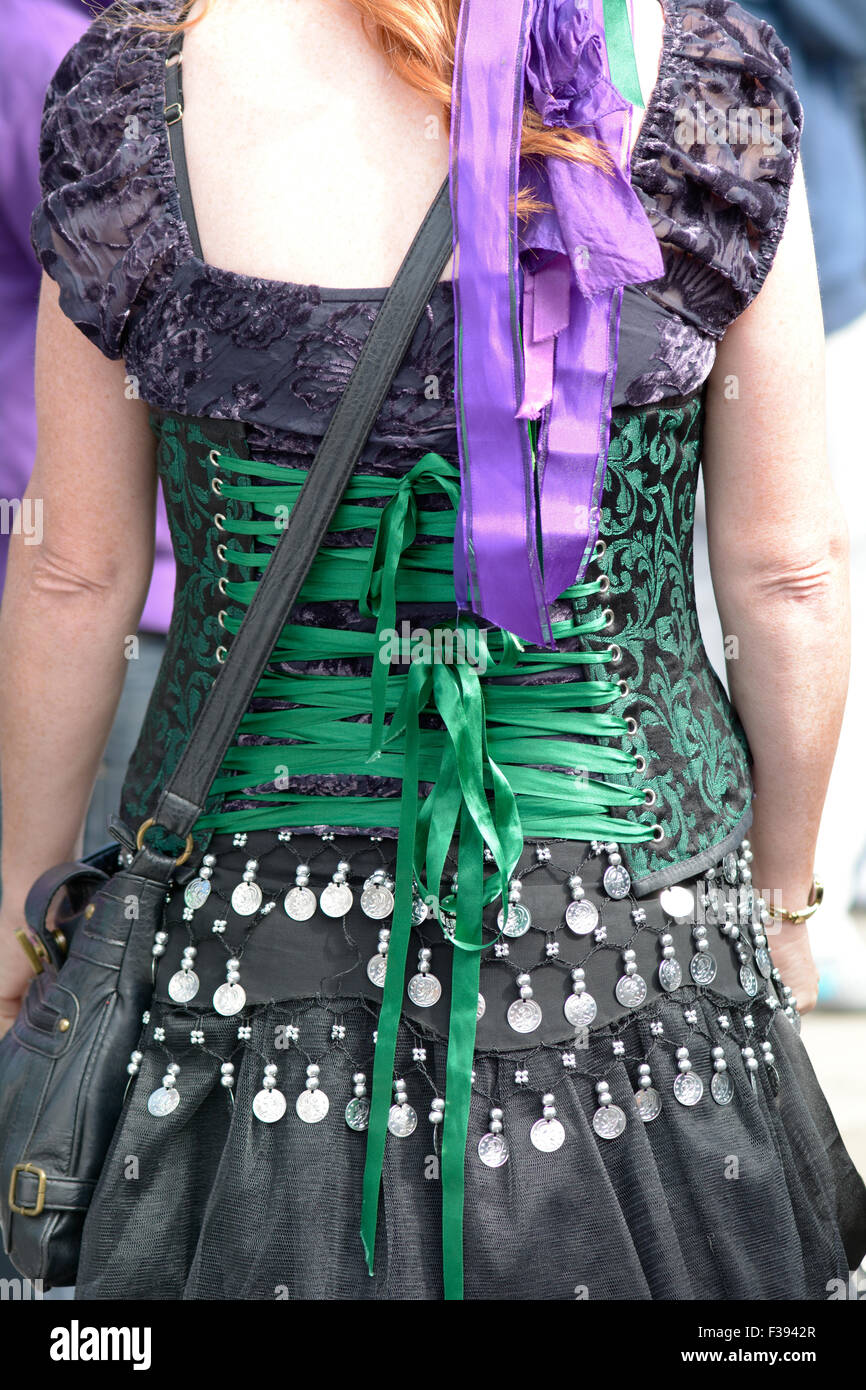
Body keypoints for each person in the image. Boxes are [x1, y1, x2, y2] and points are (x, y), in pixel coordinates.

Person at [1, 0, 864, 1301]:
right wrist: (788, 898)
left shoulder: (137, 82)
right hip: (634, 953)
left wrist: (23, 908)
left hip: (231, 953)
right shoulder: (699, 73)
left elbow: (77, 572)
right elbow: (786, 574)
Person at [692, 0, 866, 1010]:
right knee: (786, 575)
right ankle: (786, 914)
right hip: (743, 170)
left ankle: (793, 909)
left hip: (765, 190)